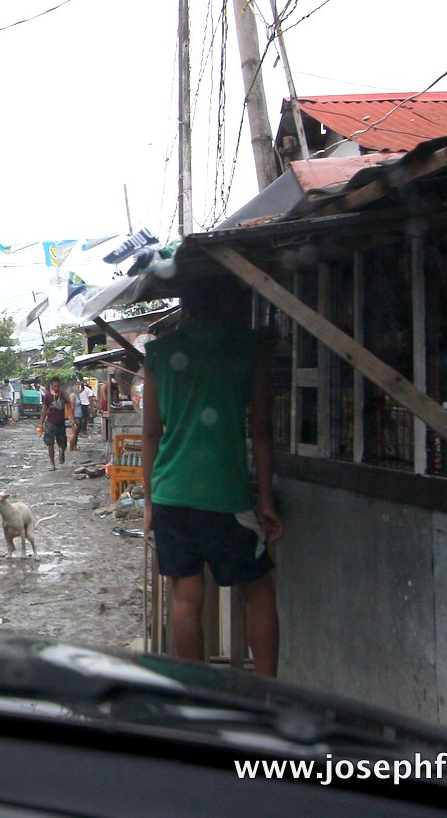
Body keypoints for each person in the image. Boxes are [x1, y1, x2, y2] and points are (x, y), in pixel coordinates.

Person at [141, 279, 283, 676]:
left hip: (170, 493)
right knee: (258, 591)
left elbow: (151, 433)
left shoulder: (159, 352)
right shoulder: (249, 348)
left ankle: (195, 694)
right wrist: (265, 499)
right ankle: (265, 691)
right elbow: (261, 430)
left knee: (185, 598)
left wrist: (149, 503)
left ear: (186, 304)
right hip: (225, 496)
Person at [38, 377, 70, 470]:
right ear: (51, 385)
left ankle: (61, 451)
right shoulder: (47, 396)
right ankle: (52, 464)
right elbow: (44, 410)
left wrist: (72, 420)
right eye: (55, 386)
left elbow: (69, 407)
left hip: (60, 423)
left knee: (63, 444)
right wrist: (41, 424)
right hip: (50, 423)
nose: (56, 388)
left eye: (58, 386)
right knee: (50, 443)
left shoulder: (64, 395)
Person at [70, 380, 95, 451]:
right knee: (74, 432)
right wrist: (72, 419)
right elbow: (71, 408)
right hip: (75, 416)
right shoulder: (72, 395)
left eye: (78, 385)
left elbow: (82, 389)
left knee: (77, 433)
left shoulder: (77, 394)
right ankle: (71, 447)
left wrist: (82, 384)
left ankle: (75, 446)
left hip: (79, 416)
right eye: (76, 385)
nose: (78, 386)